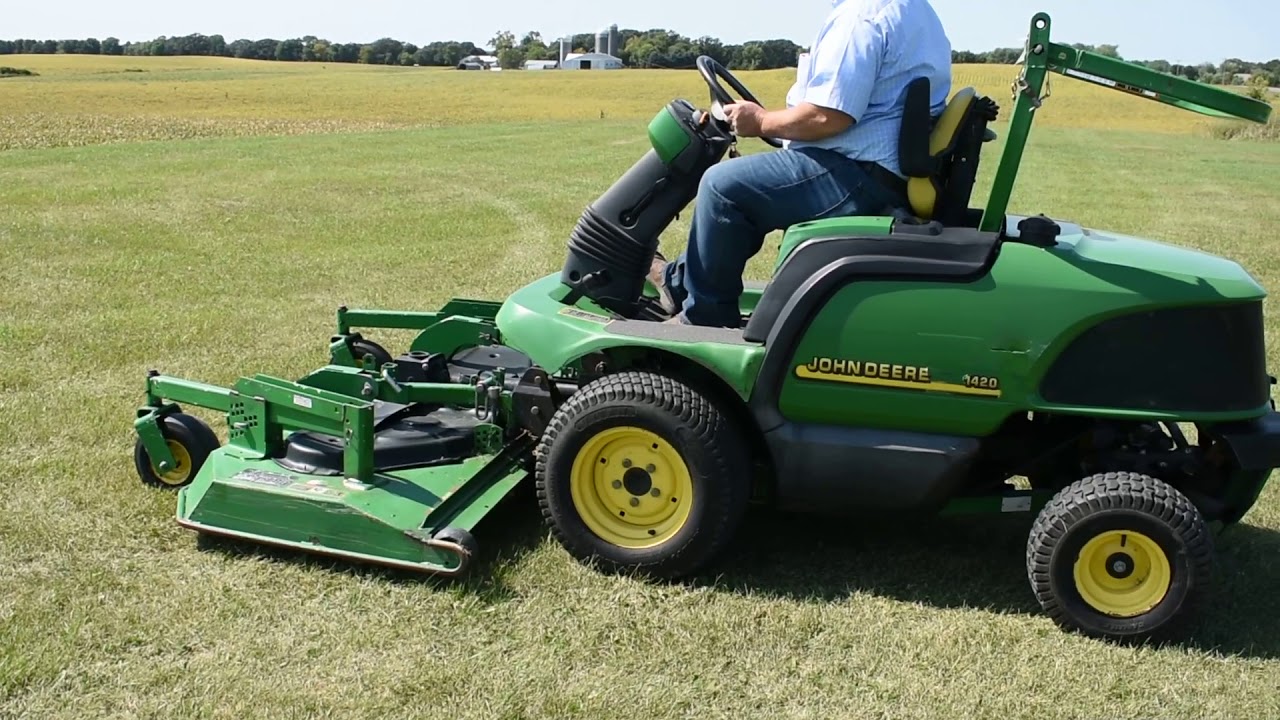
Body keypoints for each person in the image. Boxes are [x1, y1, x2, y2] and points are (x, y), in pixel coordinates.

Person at [650, 0, 953, 327]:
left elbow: (829, 115)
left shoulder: (862, 15)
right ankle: (679, 281)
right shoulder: (914, 10)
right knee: (746, 189)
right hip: (883, 170)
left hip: (859, 173)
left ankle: (703, 319)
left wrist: (762, 121)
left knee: (723, 187)